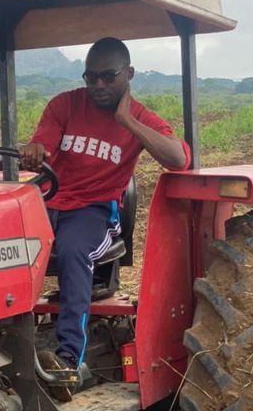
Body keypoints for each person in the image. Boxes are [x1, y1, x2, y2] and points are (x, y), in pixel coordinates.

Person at [19, 37, 190, 377]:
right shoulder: (65, 105)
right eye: (91, 77)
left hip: (94, 210)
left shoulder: (139, 117)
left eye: (108, 77)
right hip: (48, 202)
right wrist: (35, 150)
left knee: (74, 250)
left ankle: (68, 359)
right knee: (3, 246)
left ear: (129, 74)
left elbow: (178, 159)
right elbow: (43, 144)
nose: (98, 85)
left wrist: (126, 121)